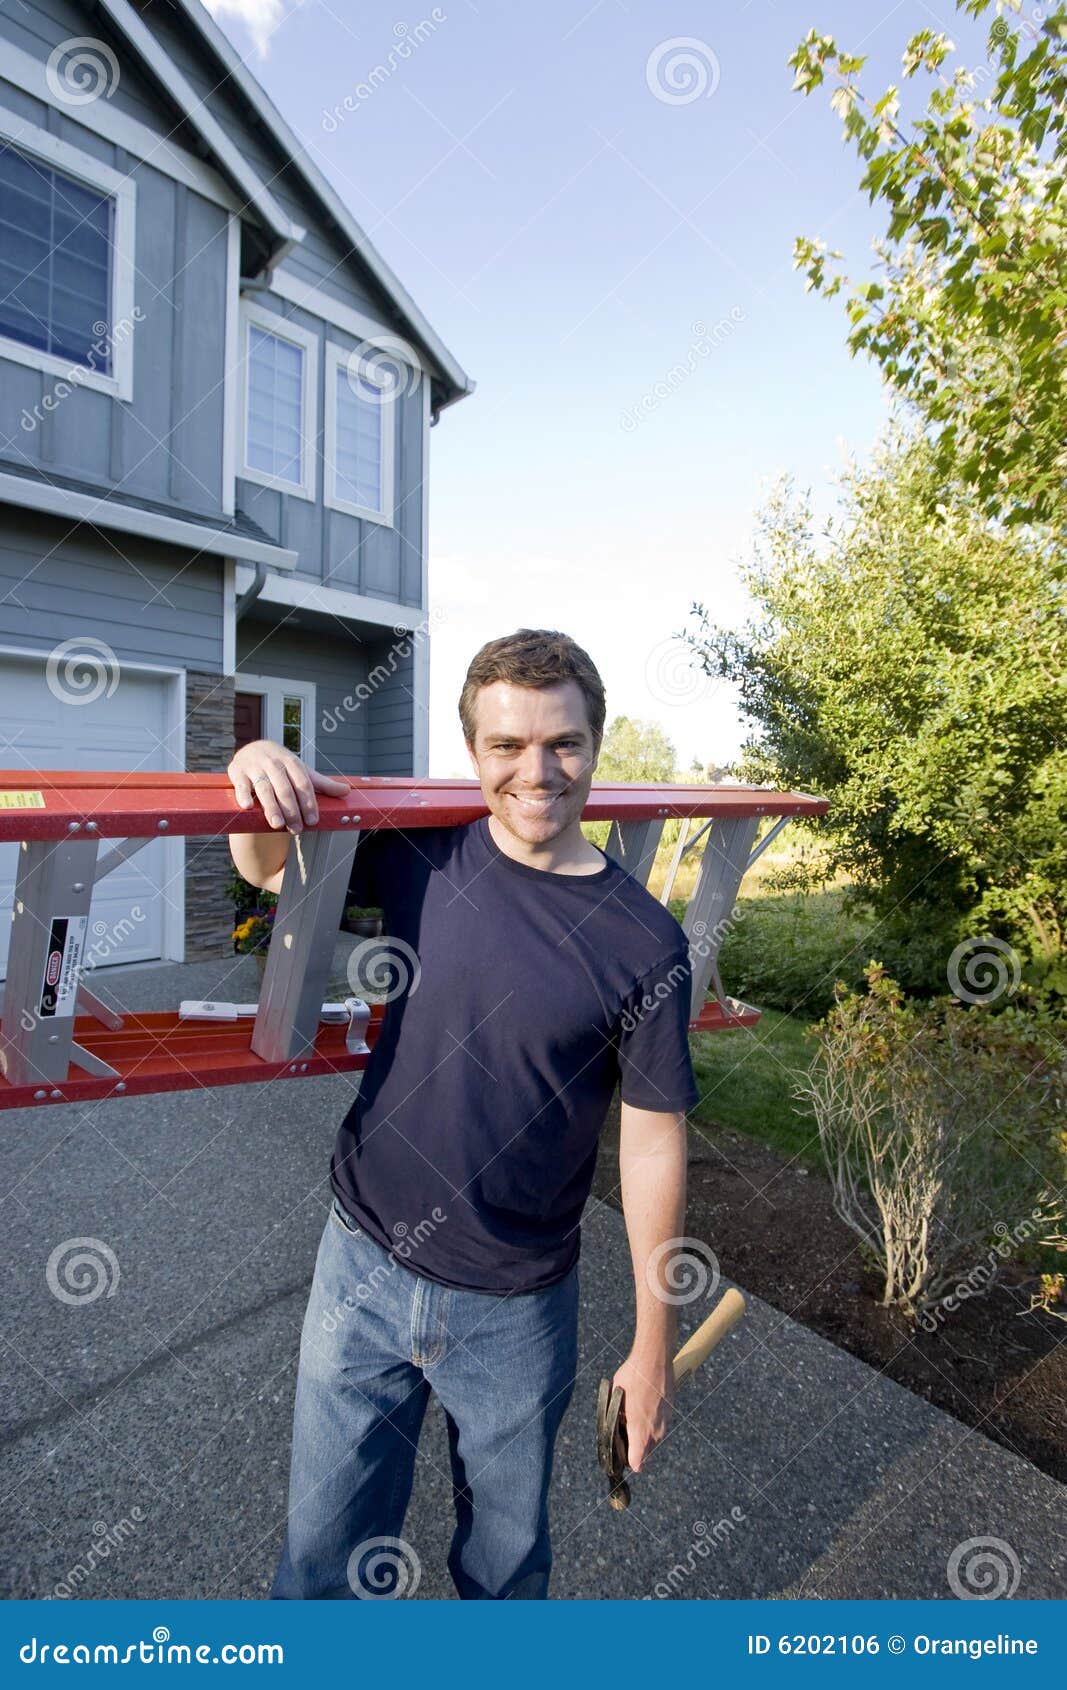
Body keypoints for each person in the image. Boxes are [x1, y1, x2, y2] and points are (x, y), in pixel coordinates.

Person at [227, 629, 700, 1599]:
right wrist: (252, 769)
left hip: (518, 1311)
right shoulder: (420, 856)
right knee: (319, 1560)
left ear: (596, 745)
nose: (537, 771)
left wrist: (651, 1342)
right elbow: (269, 868)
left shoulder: (642, 942)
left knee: (503, 1570)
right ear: (472, 750)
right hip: (360, 1266)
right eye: (506, 747)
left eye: (562, 743)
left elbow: (652, 1138)